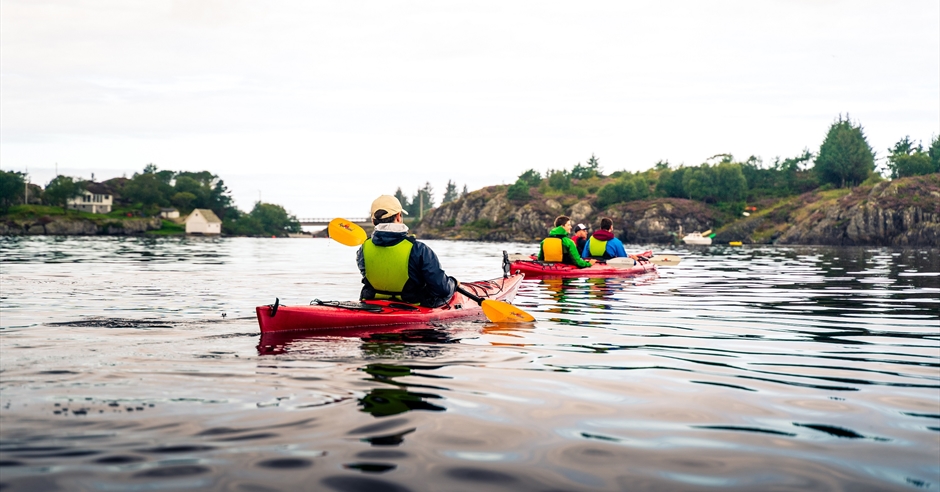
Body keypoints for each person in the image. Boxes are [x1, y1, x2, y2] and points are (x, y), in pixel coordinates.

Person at [357, 195, 456, 307]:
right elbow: (442, 290)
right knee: (444, 292)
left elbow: (367, 274)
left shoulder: (363, 249)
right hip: (412, 305)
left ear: (373, 221)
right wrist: (453, 283)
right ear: (398, 217)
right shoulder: (419, 249)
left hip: (371, 304)